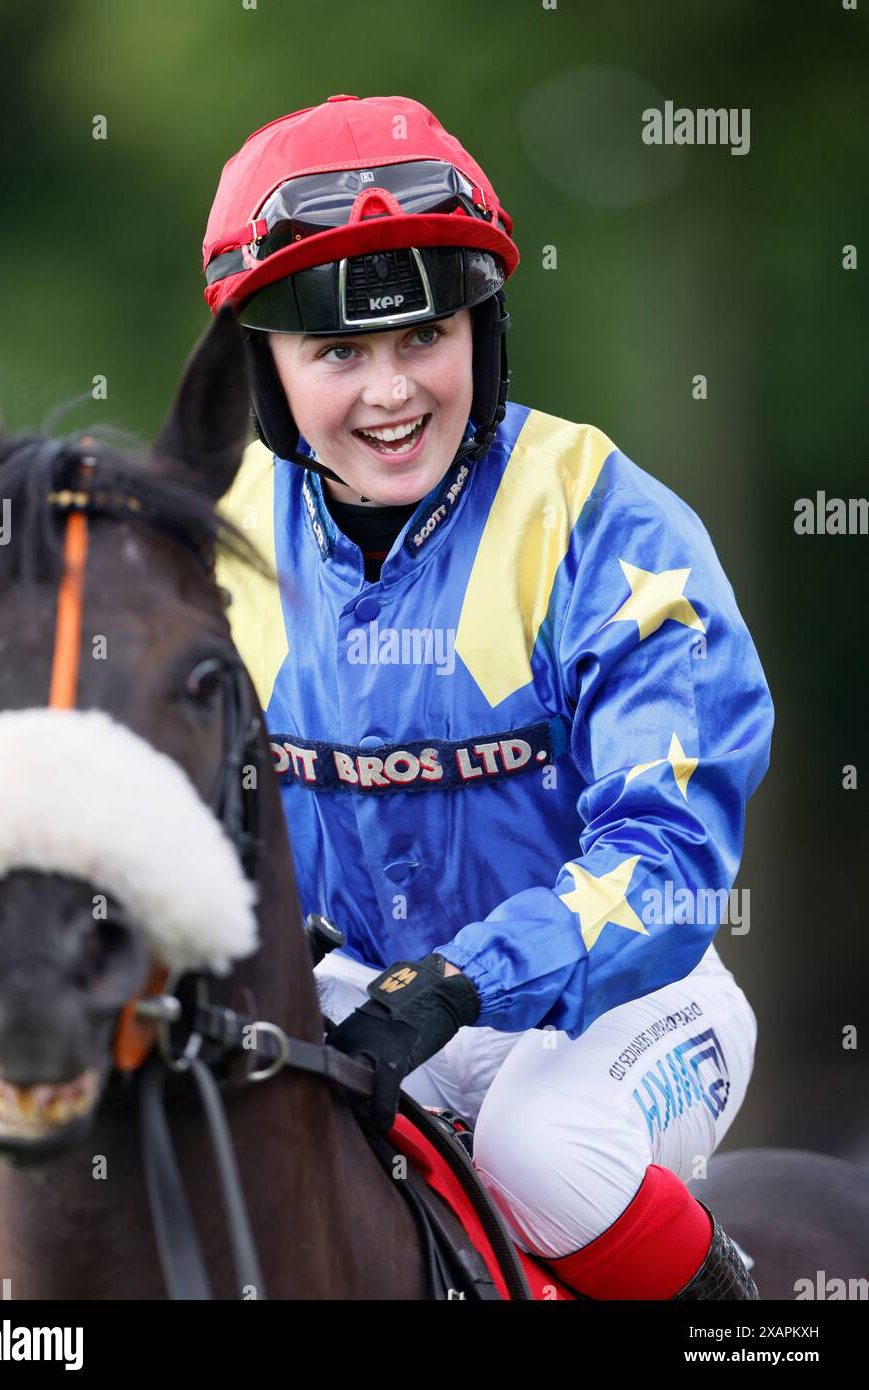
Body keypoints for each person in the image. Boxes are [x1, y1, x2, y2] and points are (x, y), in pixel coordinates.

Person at [203, 94, 774, 1300]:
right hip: (358, 998)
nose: (390, 392)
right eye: (338, 352)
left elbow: (669, 856)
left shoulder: (608, 526)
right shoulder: (218, 541)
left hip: (622, 1008)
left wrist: (466, 981)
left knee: (536, 1148)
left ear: (484, 329)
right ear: (266, 365)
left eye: (424, 336)